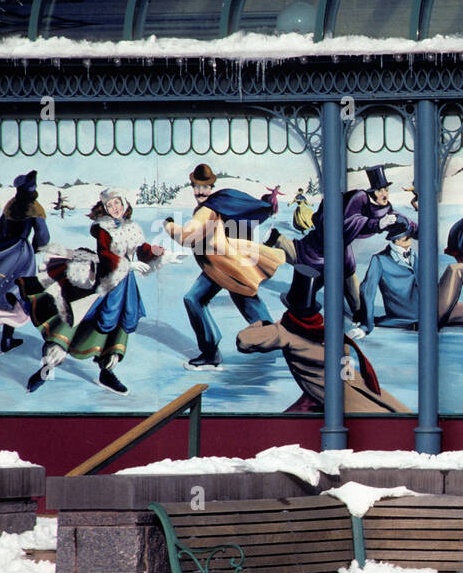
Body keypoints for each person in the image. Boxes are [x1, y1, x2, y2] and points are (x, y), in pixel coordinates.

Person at [20, 188, 166, 395]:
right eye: (109, 205)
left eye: (117, 203)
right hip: (104, 283)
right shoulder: (103, 229)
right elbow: (106, 256)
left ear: (124, 204)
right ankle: (47, 368)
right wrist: (128, 265)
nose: (114, 208)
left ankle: (106, 371)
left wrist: (155, 253)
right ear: (104, 208)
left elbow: (141, 249)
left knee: (118, 326)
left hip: (125, 286)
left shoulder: (132, 228)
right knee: (76, 320)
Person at [164, 163, 286, 369]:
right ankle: (273, 337)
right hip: (224, 263)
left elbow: (186, 237)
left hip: (220, 265)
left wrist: (168, 225)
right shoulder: (216, 204)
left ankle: (210, 352)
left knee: (194, 298)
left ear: (211, 188)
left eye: (205, 187)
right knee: (243, 292)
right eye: (197, 187)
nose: (200, 191)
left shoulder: (207, 210)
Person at [271, 165, 398, 333]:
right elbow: (350, 222)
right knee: (305, 259)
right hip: (325, 240)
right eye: (381, 190)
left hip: (341, 248)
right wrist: (376, 224)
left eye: (386, 190)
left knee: (348, 275)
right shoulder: (359, 198)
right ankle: (275, 239)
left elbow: (375, 222)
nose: (385, 194)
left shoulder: (384, 207)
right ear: (372, 191)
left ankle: (358, 313)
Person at [235, 309, 411, 414]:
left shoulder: (285, 331)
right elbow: (245, 342)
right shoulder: (320, 326)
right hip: (350, 391)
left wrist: (262, 324)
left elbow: (244, 340)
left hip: (344, 394)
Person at [0, 171, 49, 353]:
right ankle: (7, 339)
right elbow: (43, 236)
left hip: (4, 251)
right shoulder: (34, 207)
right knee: (17, 292)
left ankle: (7, 340)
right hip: (21, 253)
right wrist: (35, 249)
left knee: (3, 288)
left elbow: (0, 229)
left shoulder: (10, 206)